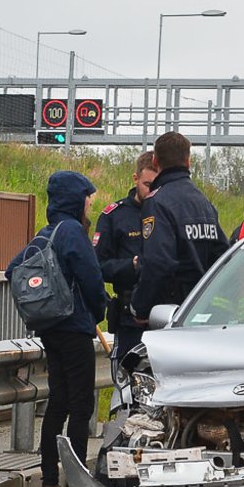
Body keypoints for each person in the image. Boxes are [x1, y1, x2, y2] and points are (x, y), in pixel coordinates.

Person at [12, 170, 107, 487]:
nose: (89, 205)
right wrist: (98, 311)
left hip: (50, 328)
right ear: (76, 199)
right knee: (81, 407)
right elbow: (92, 280)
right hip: (75, 328)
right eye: (88, 199)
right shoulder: (73, 232)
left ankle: (50, 485)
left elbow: (13, 268)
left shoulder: (46, 233)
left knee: (58, 403)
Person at [130, 131, 227, 329]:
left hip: (169, 312)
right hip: (201, 309)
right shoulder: (203, 202)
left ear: (155, 161)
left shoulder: (157, 202)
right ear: (188, 161)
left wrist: (140, 307)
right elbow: (223, 256)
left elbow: (158, 262)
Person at [94, 150, 157, 357]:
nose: (151, 192)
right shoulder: (114, 216)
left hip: (165, 317)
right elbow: (98, 266)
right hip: (129, 318)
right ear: (135, 178)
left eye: (157, 186)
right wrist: (131, 265)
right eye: (147, 185)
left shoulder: (168, 212)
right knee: (127, 372)